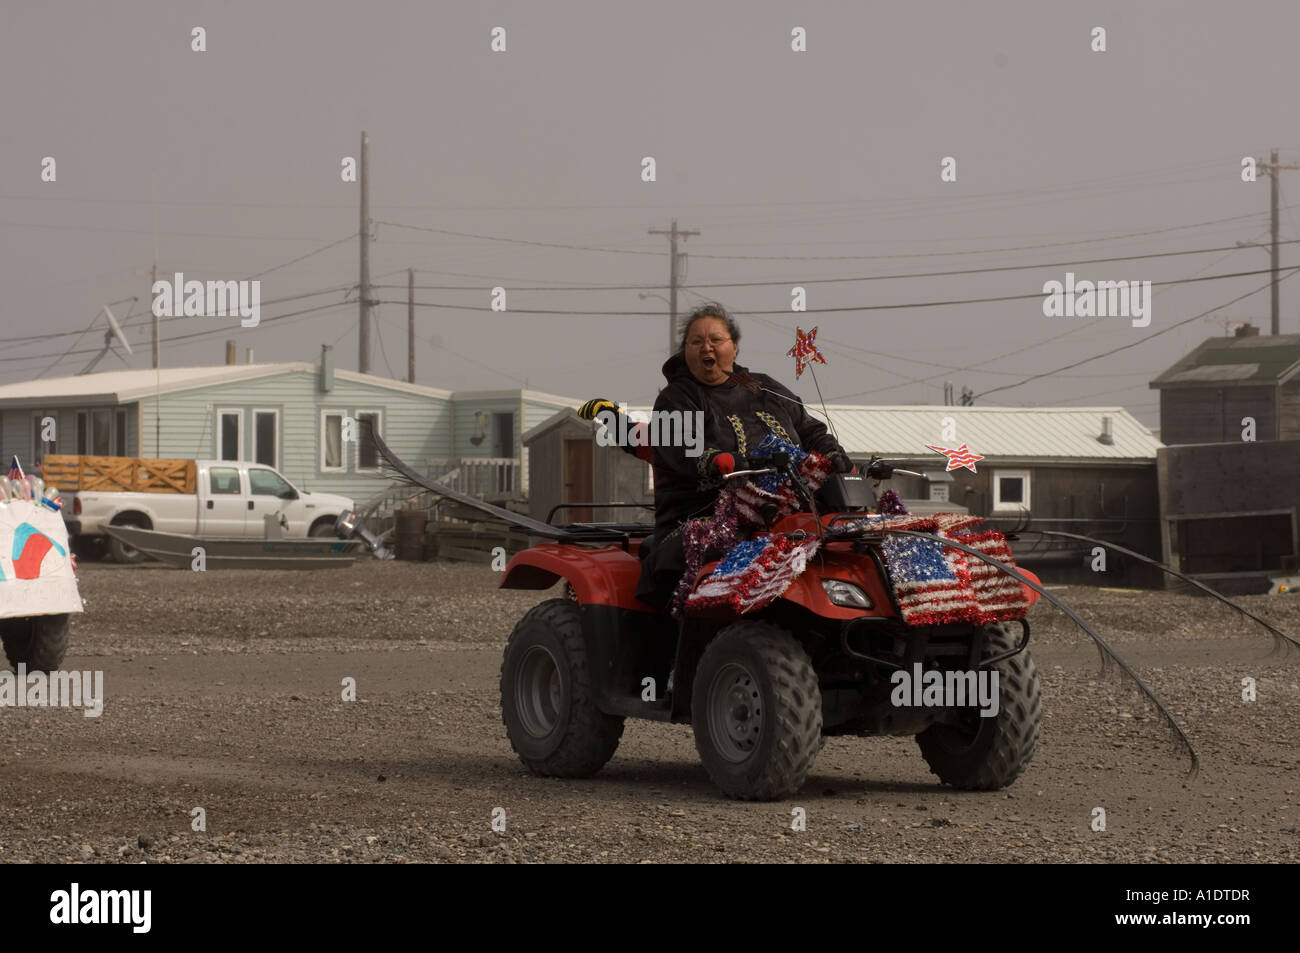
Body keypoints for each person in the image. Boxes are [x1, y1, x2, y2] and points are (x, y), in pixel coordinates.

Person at [580, 302, 854, 611]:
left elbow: (809, 428)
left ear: (734, 347)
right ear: (685, 351)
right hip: (701, 517)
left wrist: (832, 453)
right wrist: (715, 460)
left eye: (715, 340)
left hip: (787, 514)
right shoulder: (677, 396)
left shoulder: (765, 388)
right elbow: (679, 445)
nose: (706, 347)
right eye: (696, 342)